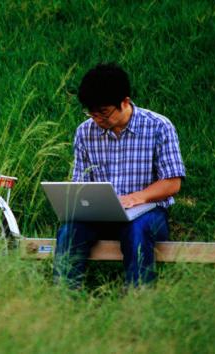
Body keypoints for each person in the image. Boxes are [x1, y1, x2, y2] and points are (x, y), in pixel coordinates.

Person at [53, 63, 186, 288]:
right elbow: (81, 184)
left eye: (103, 112)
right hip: (101, 215)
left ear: (124, 102)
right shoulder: (84, 132)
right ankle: (64, 299)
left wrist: (138, 198)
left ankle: (139, 301)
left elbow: (172, 183)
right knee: (69, 230)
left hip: (148, 213)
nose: (97, 119)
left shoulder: (159, 126)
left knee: (138, 229)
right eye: (91, 113)